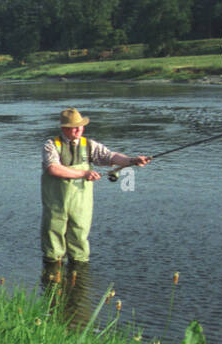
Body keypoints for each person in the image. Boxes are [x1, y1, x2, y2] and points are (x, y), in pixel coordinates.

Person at [41, 107, 149, 275]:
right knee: (53, 240)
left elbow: (110, 157)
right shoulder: (51, 145)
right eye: (74, 127)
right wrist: (84, 173)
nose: (78, 130)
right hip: (56, 203)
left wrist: (131, 160)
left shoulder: (89, 145)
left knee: (80, 237)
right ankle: (51, 275)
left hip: (81, 204)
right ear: (64, 129)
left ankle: (79, 275)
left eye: (80, 126)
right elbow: (53, 169)